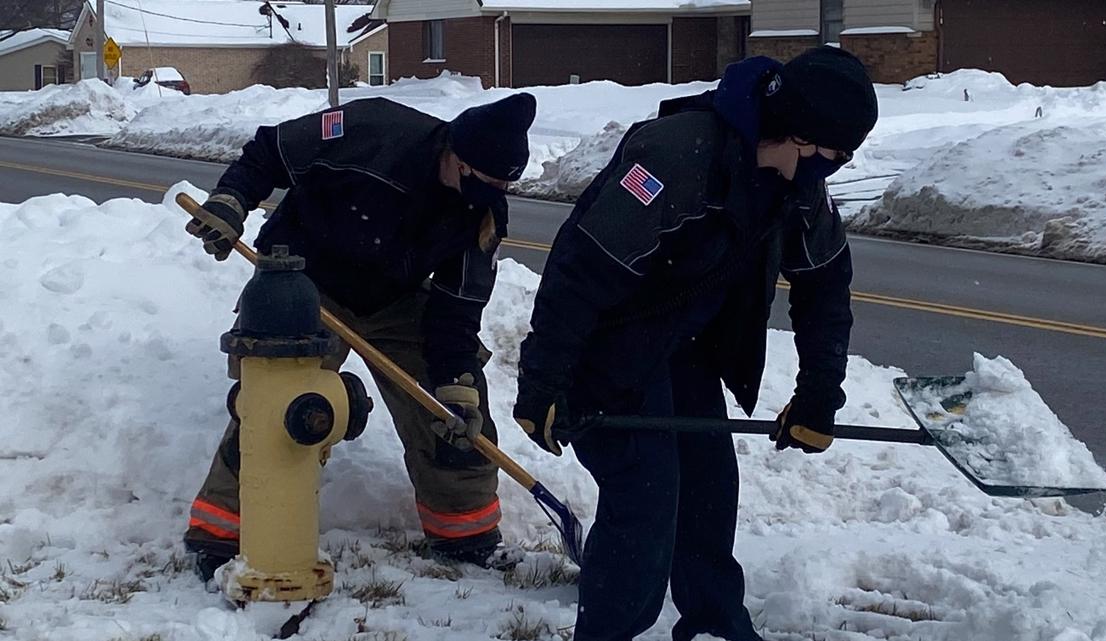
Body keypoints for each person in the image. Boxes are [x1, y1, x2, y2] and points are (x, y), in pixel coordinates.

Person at [511, 48, 878, 641]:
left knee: (708, 493)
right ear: (801, 137)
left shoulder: (797, 188)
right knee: (645, 503)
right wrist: (544, 379)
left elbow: (826, 287)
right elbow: (583, 269)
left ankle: (713, 625)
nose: (830, 172)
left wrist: (817, 396)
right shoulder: (674, 158)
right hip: (609, 351)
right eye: (833, 157)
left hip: (687, 351)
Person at [183, 92, 537, 581]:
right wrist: (230, 202)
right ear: (455, 154)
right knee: (276, 406)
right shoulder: (369, 128)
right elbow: (271, 150)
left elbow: (456, 308)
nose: (485, 195)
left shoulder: (483, 211)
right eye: (481, 181)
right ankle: (220, 534)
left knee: (456, 414)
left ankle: (465, 534)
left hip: (394, 297)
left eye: (501, 186)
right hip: (301, 281)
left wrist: (453, 382)